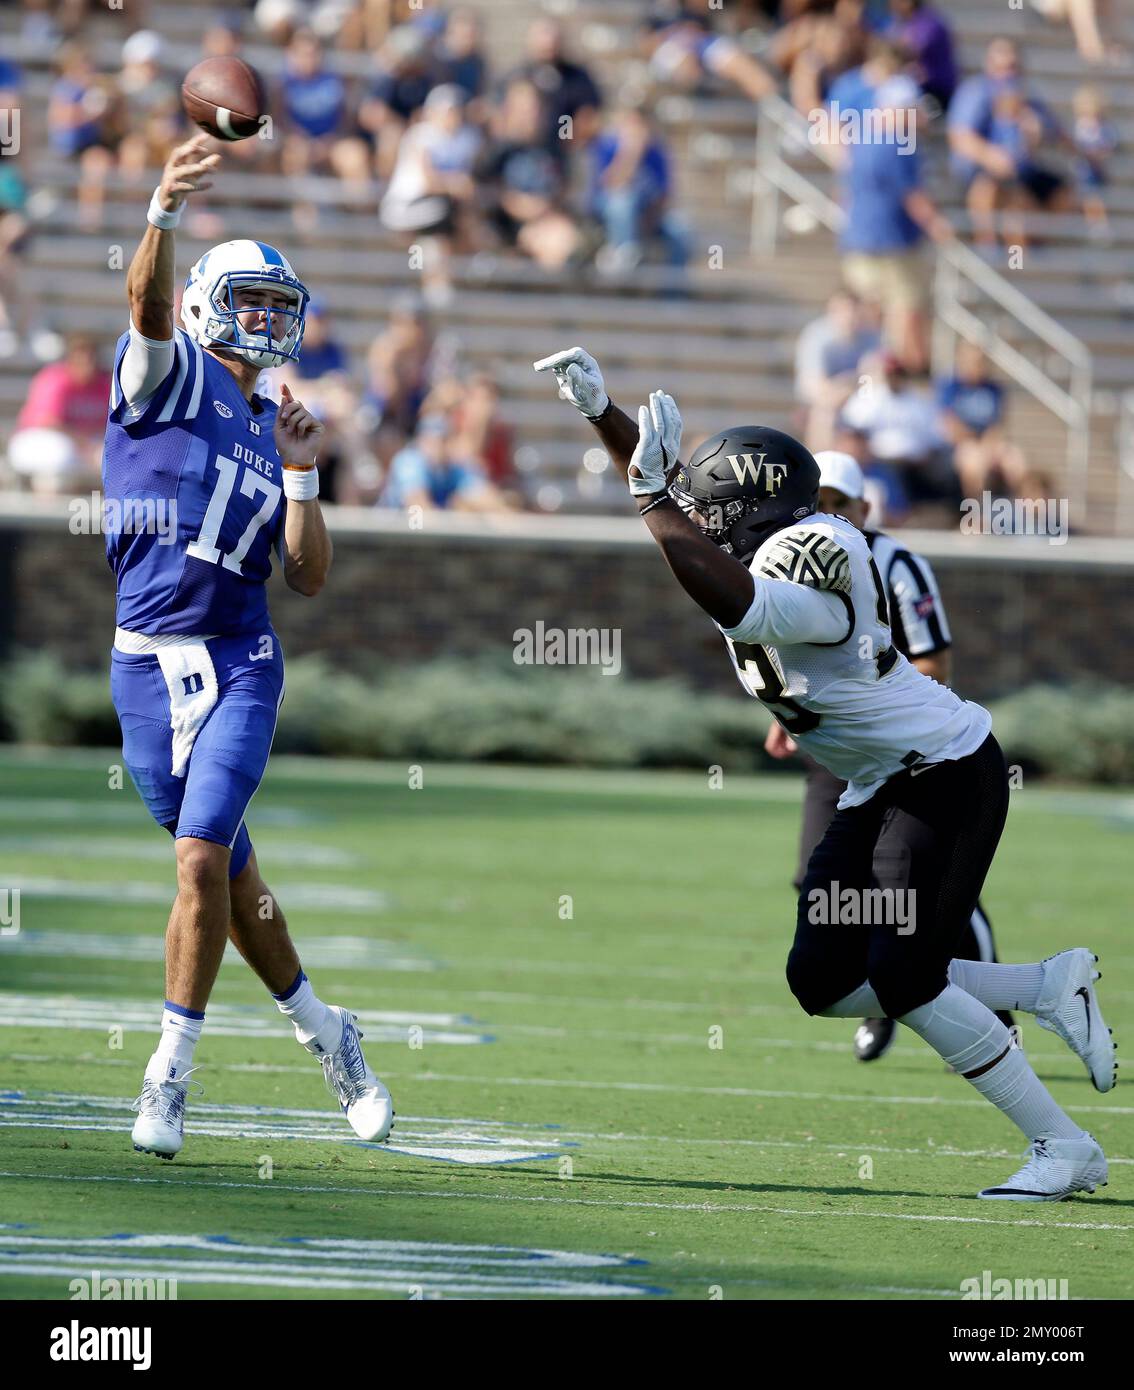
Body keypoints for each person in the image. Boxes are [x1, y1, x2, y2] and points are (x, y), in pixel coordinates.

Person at [534, 345, 1116, 1201]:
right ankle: (1042, 985)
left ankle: (1064, 1147)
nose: (702, 518)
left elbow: (728, 590)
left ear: (755, 510)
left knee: (911, 978)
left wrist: (651, 496)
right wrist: (602, 414)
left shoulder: (817, 553)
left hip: (944, 773)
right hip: (880, 783)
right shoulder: (771, 533)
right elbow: (678, 507)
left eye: (716, 509)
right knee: (826, 979)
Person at [103, 135, 393, 1161]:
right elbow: (144, 303)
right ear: (206, 304)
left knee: (199, 859)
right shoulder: (167, 374)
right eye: (251, 301)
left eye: (280, 305)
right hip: (144, 663)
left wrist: (307, 474)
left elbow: (306, 576)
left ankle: (167, 1076)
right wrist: (164, 211)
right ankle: (327, 1030)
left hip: (239, 661)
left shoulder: (282, 420)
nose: (268, 320)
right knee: (230, 878)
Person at [764, 450, 1014, 1060]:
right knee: (818, 883)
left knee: (926, 891)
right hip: (838, 751)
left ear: (864, 508)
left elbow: (934, 660)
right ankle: (883, 995)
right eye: (816, 502)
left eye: (838, 503)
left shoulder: (897, 564)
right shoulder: (785, 561)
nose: (824, 514)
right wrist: (792, 715)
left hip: (905, 750)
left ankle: (993, 1007)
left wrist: (863, 694)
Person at [8, 333, 112, 492]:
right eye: (80, 358)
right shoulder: (55, 379)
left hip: (86, 444)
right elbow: (48, 422)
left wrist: (89, 445)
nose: (86, 364)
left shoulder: (104, 384)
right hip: (38, 439)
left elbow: (112, 423)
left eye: (90, 358)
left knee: (110, 457)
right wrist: (84, 443)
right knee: (60, 456)